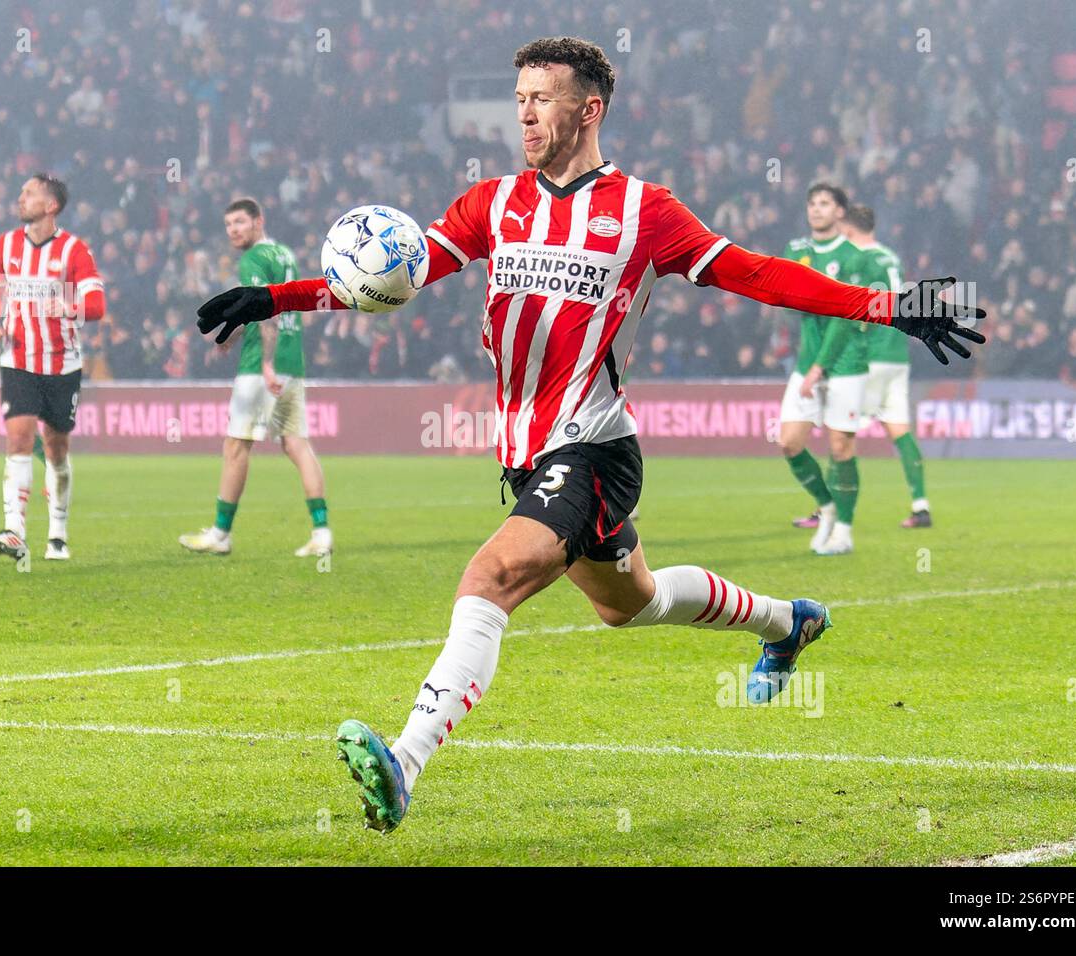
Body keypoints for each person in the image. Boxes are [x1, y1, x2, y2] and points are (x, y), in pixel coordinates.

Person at [195, 37, 983, 833]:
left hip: (594, 448)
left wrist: (884, 306)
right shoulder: (493, 203)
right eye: (520, 100)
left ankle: (404, 760)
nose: (526, 114)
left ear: (589, 108)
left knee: (490, 578)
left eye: (542, 98)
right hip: (525, 456)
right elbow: (393, 277)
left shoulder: (646, 212)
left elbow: (756, 271)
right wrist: (276, 298)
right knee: (628, 603)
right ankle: (788, 622)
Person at [179, 198, 331, 557]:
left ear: (258, 221)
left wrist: (264, 363)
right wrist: (232, 336)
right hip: (293, 362)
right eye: (228, 224)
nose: (233, 230)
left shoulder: (252, 260)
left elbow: (265, 312)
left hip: (262, 368)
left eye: (240, 222)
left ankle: (220, 533)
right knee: (296, 444)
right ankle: (322, 533)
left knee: (236, 446)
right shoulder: (285, 255)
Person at [0, 174, 105, 564]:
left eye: (29, 193)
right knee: (18, 438)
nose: (21, 198)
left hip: (61, 364)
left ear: (51, 206)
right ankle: (15, 529)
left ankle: (58, 531)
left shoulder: (74, 251)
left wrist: (70, 308)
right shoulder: (6, 245)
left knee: (56, 449)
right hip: (17, 359)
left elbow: (97, 304)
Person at [777, 184, 868, 556]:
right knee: (789, 442)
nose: (816, 209)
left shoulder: (853, 257)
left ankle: (844, 531)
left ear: (840, 212)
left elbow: (846, 317)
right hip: (806, 361)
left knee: (841, 446)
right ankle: (827, 507)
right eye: (812, 203)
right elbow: (783, 297)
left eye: (825, 203)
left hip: (845, 364)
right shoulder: (797, 251)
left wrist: (819, 367)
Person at [843, 204, 931, 527]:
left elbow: (853, 308)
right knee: (900, 430)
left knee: (842, 427)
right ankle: (921, 506)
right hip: (897, 355)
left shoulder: (860, 260)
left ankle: (831, 509)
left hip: (872, 354)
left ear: (849, 229)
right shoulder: (891, 257)